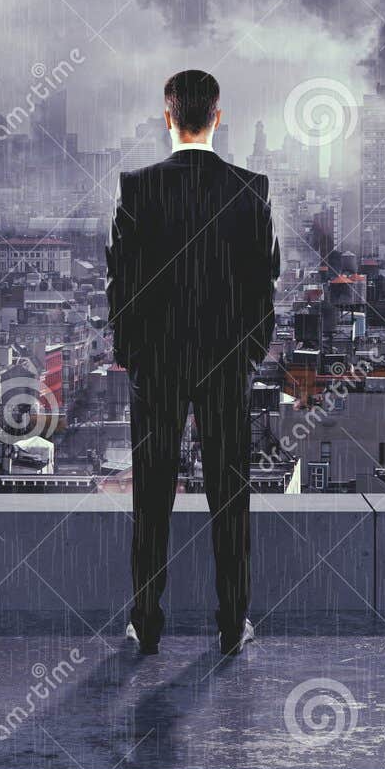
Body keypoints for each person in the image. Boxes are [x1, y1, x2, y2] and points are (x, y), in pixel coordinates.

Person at [106, 69, 280, 656]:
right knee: (230, 494)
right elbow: (264, 286)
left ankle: (146, 622)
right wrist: (247, 354)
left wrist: (135, 356)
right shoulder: (249, 190)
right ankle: (232, 622)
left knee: (151, 497)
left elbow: (120, 286)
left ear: (168, 117)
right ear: (217, 117)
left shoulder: (137, 188)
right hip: (225, 364)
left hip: (157, 365)